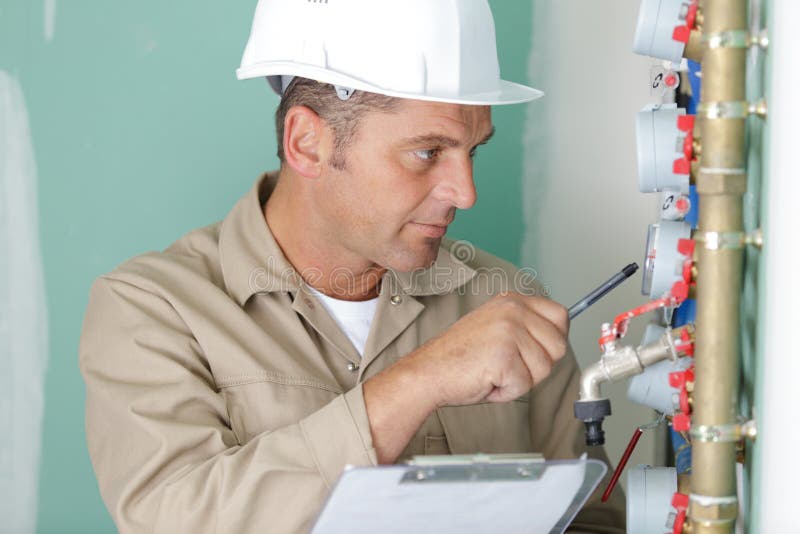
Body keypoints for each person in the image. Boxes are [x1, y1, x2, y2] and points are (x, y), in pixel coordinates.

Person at [80, 1, 625, 532]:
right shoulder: (153, 309)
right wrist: (423, 379)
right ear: (307, 143)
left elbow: (593, 520)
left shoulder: (504, 301)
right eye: (428, 152)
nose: (465, 193)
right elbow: (175, 518)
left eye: (473, 151)